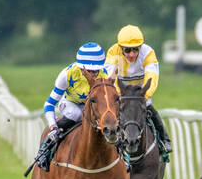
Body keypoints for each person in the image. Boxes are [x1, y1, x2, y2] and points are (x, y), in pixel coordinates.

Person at [30, 43, 109, 171]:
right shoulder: (67, 74)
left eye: (96, 70)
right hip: (70, 104)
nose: (94, 74)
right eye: (90, 70)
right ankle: (44, 151)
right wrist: (53, 125)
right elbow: (49, 104)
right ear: (81, 67)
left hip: (92, 105)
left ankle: (124, 155)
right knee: (76, 114)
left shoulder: (106, 74)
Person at [101, 24, 171, 161]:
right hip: (121, 91)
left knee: (149, 107)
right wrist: (118, 95)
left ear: (141, 47)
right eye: (127, 50)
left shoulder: (148, 53)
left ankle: (164, 140)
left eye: (135, 50)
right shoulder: (113, 52)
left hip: (140, 92)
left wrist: (144, 96)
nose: (132, 54)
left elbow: (152, 78)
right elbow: (110, 79)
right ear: (120, 48)